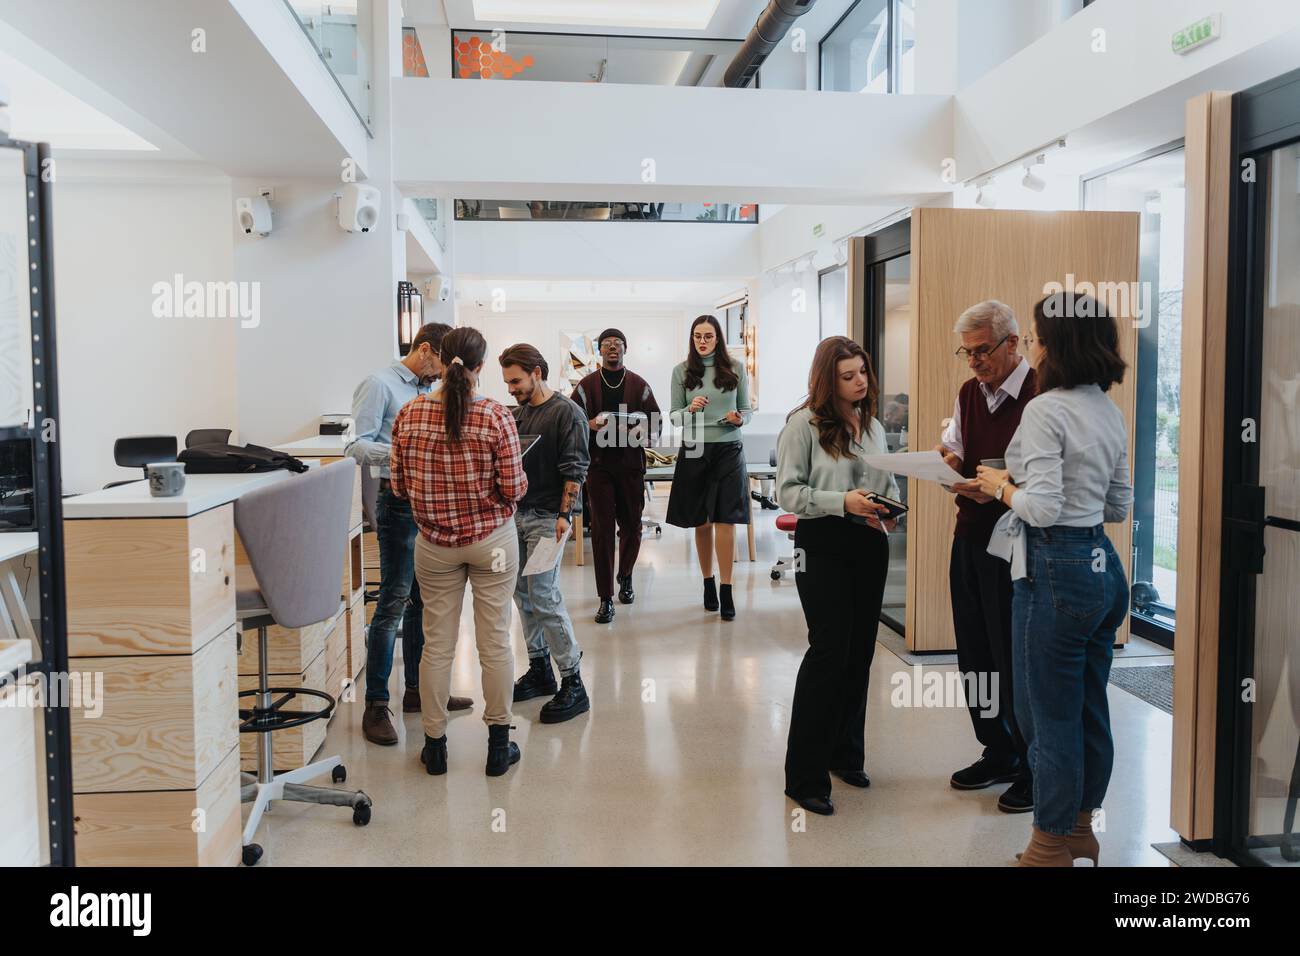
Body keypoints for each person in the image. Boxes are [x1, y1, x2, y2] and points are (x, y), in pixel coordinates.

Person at [974, 292, 1131, 866]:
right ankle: (1081, 829)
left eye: (1038, 338)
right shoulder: (1107, 410)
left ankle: (1047, 847)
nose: (1033, 348)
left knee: (1043, 715)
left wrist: (996, 486)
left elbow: (1039, 509)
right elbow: (1118, 505)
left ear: (1057, 344)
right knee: (1089, 706)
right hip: (1100, 566)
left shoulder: (1045, 409)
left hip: (1053, 569)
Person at [390, 326, 528, 778]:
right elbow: (514, 488)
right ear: (480, 367)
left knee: (437, 645)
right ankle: (497, 746)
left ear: (442, 360)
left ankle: (434, 747)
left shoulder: (409, 414)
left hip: (434, 546)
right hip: (492, 544)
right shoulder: (495, 416)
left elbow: (399, 487)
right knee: (495, 642)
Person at [776, 336, 898, 816]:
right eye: (848, 376)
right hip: (822, 544)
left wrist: (888, 508)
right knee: (829, 651)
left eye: (863, 372)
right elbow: (789, 493)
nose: (860, 382)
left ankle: (845, 754)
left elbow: (883, 484)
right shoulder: (801, 426)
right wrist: (840, 501)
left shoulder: (872, 425)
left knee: (860, 652)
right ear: (828, 379)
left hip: (869, 542)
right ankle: (803, 776)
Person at [346, 322, 473, 747]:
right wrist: (404, 449)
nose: (443, 373)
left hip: (428, 502)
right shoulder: (379, 384)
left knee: (425, 599)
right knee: (393, 600)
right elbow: (357, 445)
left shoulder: (426, 389)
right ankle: (377, 703)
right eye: (440, 361)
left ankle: (419, 691)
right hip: (396, 502)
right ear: (424, 350)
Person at [934, 300, 1038, 813]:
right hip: (970, 534)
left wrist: (1000, 489)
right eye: (967, 352)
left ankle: (1032, 761)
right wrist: (949, 462)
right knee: (975, 650)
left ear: (1013, 343)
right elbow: (956, 446)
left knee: (1013, 655)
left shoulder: (1041, 396)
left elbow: (1045, 480)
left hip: (1017, 545)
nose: (974, 362)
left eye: (982, 351)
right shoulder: (969, 393)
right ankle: (996, 749)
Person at [499, 344, 592, 723]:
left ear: (537, 372)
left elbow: (576, 468)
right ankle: (540, 670)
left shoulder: (567, 413)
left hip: (547, 519)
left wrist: (564, 516)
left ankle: (573, 681)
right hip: (518, 517)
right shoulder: (519, 415)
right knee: (522, 595)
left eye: (516, 381)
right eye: (507, 382)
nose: (511, 389)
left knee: (544, 595)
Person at [570, 328, 661, 624]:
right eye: (607, 344)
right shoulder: (585, 387)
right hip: (599, 468)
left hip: (631, 465)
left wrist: (638, 427)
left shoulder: (639, 385)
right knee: (602, 532)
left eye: (617, 344)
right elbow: (571, 421)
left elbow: (656, 425)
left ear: (625, 349)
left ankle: (626, 575)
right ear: (599, 350)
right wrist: (590, 424)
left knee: (633, 527)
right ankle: (605, 597)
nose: (612, 348)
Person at [666, 315, 752, 621]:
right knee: (702, 521)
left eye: (708, 336)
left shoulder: (736, 369)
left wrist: (738, 419)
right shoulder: (682, 371)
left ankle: (727, 588)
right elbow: (674, 418)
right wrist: (689, 409)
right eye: (698, 336)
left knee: (726, 519)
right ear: (692, 339)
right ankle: (708, 583)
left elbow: (747, 411)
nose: (702, 341)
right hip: (694, 448)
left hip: (729, 447)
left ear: (718, 338)